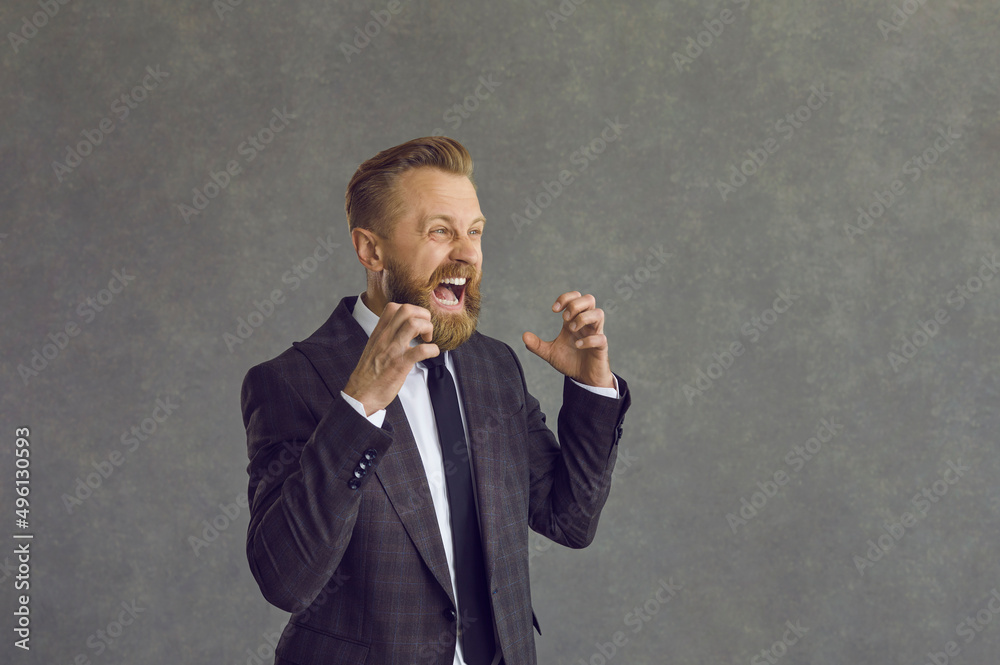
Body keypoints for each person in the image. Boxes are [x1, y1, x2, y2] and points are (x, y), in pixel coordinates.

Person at [240, 136, 631, 665]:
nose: (467, 253)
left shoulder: (494, 368)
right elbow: (286, 579)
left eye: (474, 232)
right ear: (370, 250)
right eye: (440, 231)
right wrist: (360, 404)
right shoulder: (291, 381)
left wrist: (590, 389)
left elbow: (569, 520)